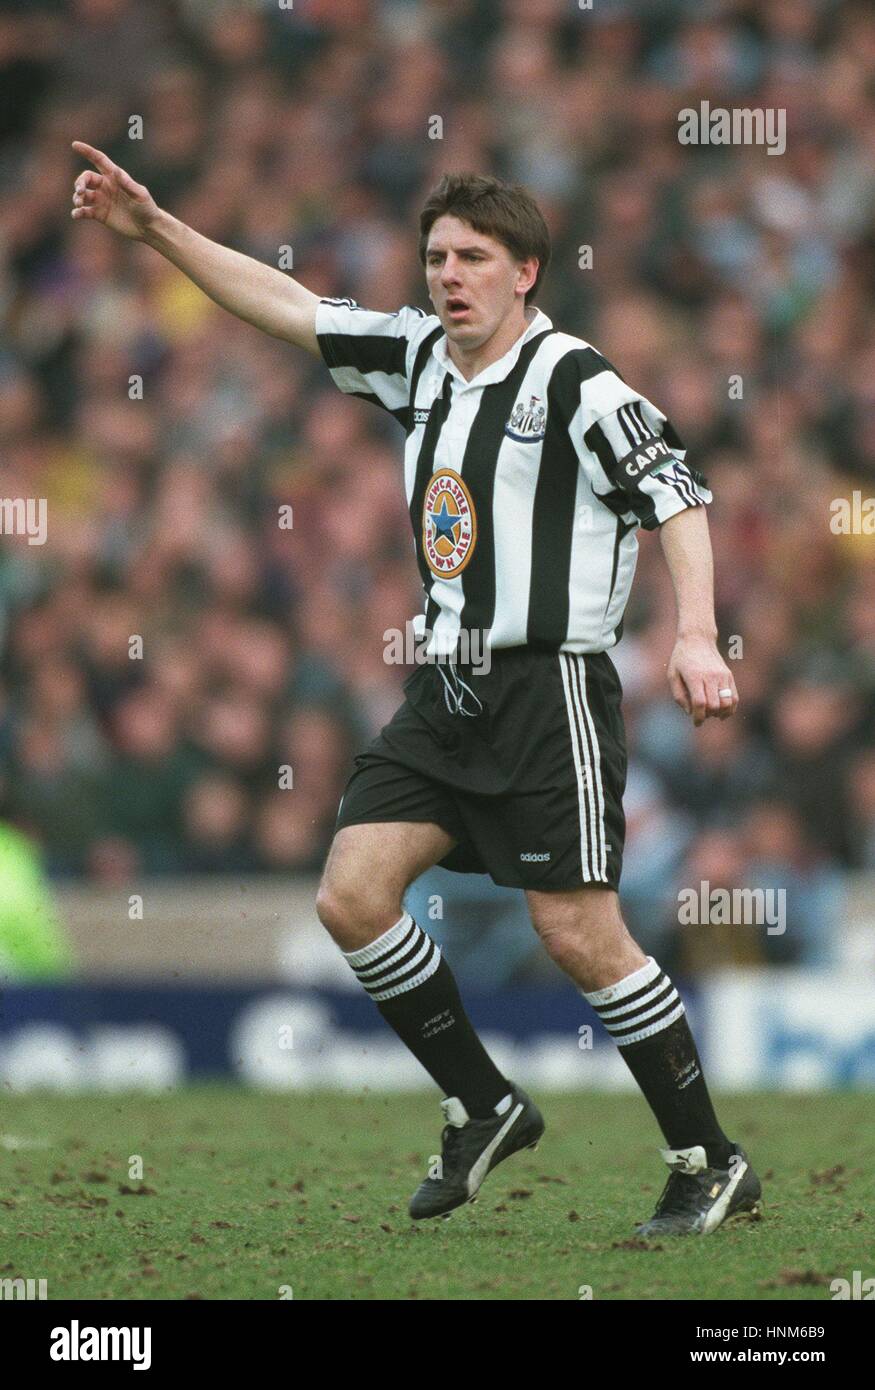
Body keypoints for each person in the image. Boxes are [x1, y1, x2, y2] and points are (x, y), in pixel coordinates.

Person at [70, 146, 761, 1237]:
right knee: (351, 893)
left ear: (524, 270)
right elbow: (289, 308)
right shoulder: (415, 358)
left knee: (577, 934)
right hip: (446, 688)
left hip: (551, 689)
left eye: (473, 257)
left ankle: (707, 1157)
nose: (448, 274)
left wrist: (696, 635)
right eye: (436, 255)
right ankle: (483, 1102)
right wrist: (157, 230)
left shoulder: (574, 379)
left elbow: (674, 497)